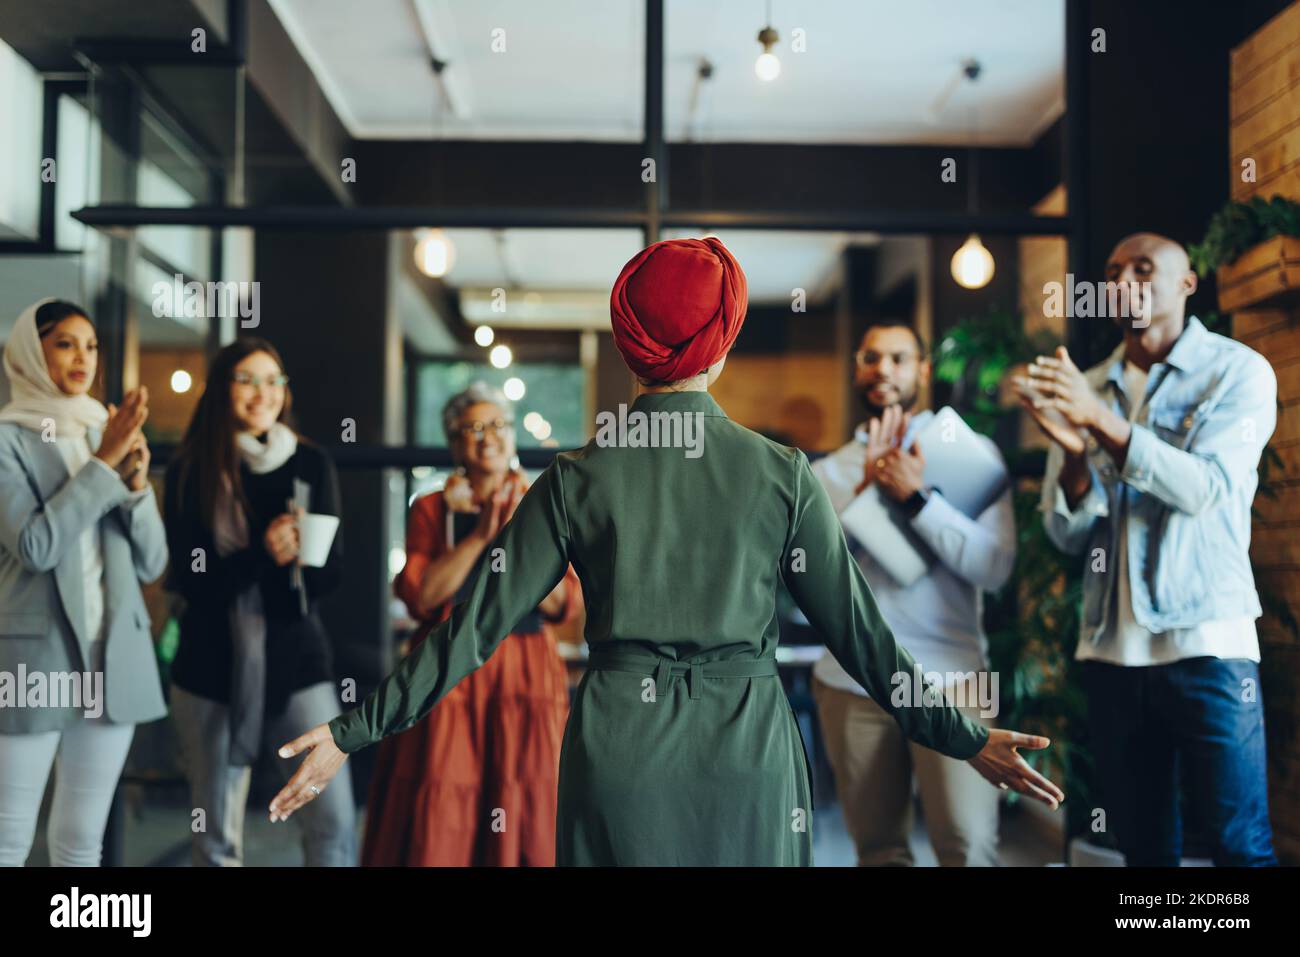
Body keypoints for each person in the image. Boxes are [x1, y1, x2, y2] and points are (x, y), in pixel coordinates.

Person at [271, 237, 1062, 866]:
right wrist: (965, 735)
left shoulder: (576, 475)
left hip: (619, 753)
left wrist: (348, 733)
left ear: (629, 345)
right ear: (718, 348)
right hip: (746, 755)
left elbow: (469, 629)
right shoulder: (782, 474)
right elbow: (864, 640)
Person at [1015, 231, 1278, 866]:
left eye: (1143, 267)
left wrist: (1099, 425)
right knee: (1144, 854)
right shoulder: (1091, 383)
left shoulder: (1237, 371)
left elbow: (1207, 489)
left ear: (1188, 283)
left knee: (1240, 847)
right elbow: (1067, 535)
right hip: (1111, 656)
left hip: (1209, 648)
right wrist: (1076, 457)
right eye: (1112, 270)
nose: (1124, 280)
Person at [810, 321, 1015, 866]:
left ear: (923, 370)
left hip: (955, 678)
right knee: (879, 852)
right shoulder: (827, 474)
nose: (884, 370)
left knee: (968, 847)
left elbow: (995, 569)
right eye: (871, 357)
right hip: (852, 683)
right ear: (858, 369)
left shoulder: (973, 452)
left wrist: (917, 500)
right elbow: (810, 576)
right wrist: (863, 498)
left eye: (899, 358)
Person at [363, 383, 581, 866]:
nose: (489, 438)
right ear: (456, 444)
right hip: (449, 671)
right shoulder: (431, 509)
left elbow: (563, 603)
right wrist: (481, 535)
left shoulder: (542, 502)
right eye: (474, 428)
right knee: (445, 788)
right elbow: (423, 595)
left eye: (498, 425)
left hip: (525, 671)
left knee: (525, 788)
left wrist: (520, 531)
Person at [164, 338, 356, 866]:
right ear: (222, 389)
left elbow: (330, 576)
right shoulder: (192, 469)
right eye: (246, 379)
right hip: (210, 667)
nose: (262, 392)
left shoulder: (311, 463)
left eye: (273, 380)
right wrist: (262, 555)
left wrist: (302, 560)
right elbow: (192, 582)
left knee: (333, 819)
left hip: (298, 659)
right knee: (216, 833)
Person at [0, 299, 166, 866]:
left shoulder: (106, 428)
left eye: (91, 345)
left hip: (113, 659)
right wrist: (103, 464)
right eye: (66, 343)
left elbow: (153, 562)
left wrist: (138, 486)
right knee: (8, 840)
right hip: (35, 661)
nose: (83, 357)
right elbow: (35, 546)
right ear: (29, 351)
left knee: (80, 844)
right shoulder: (9, 439)